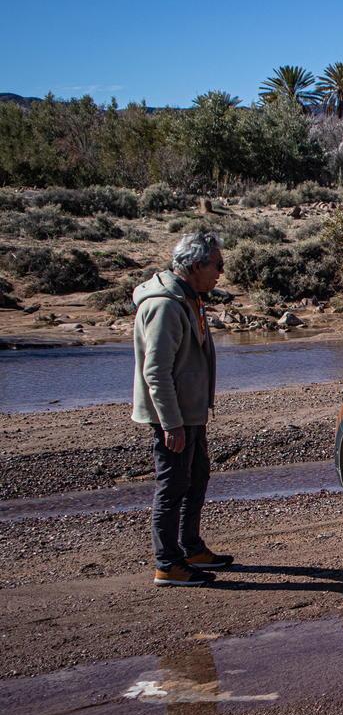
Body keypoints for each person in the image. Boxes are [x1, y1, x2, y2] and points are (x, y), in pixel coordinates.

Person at [131, 232, 234, 587]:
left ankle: (190, 548)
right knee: (172, 486)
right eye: (217, 264)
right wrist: (171, 424)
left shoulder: (191, 298)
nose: (221, 272)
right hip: (173, 416)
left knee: (197, 477)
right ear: (195, 265)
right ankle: (167, 563)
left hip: (191, 412)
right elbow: (156, 372)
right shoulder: (165, 305)